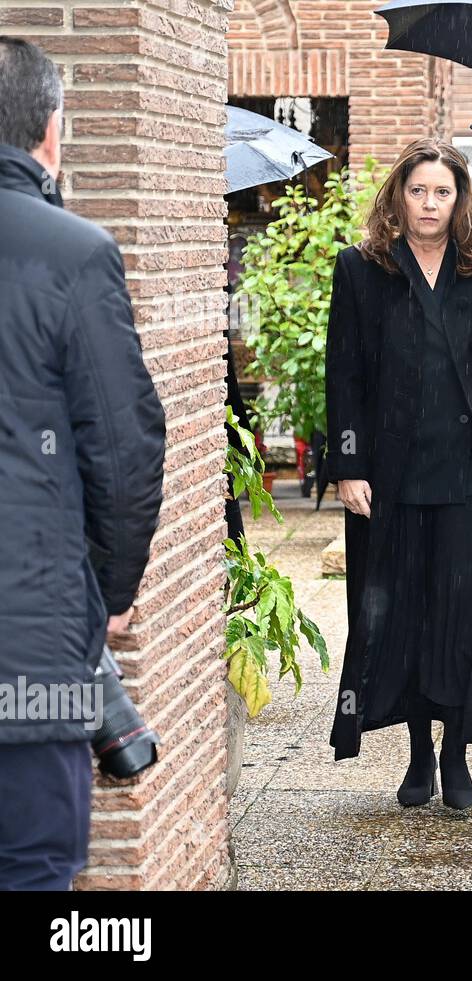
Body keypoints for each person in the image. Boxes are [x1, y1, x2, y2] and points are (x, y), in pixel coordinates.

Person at [325, 139, 472, 811]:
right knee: (406, 618)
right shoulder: (361, 269)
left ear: (461, 200)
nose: (430, 203)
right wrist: (347, 465)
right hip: (395, 479)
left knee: (467, 618)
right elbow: (343, 373)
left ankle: (457, 749)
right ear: (398, 197)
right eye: (418, 190)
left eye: (443, 192)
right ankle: (418, 753)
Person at [0, 38, 166, 889]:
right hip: (28, 647)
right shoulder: (74, 253)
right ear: (53, 130)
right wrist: (110, 591)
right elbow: (126, 449)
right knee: (32, 866)